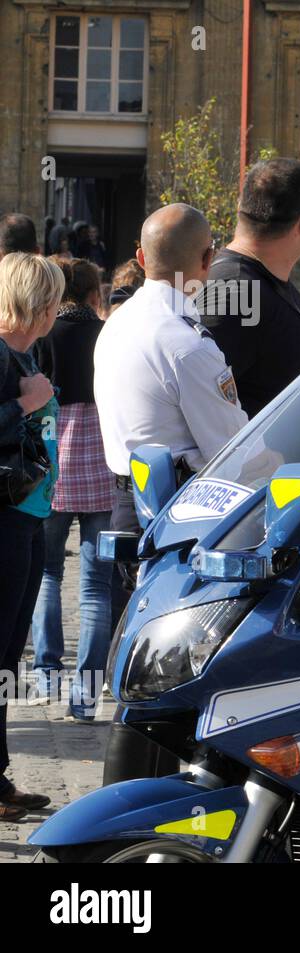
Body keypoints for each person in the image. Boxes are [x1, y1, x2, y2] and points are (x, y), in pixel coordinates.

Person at [95, 204, 249, 542]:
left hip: (125, 502)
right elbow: (230, 449)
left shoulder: (115, 323)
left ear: (141, 257)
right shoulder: (187, 343)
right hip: (178, 510)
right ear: (208, 258)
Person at [30, 260, 115, 720]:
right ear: (93, 292)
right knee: (96, 587)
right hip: (100, 467)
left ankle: (45, 675)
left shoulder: (45, 336)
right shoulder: (107, 336)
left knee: (47, 575)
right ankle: (84, 699)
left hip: (52, 468)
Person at [0, 252, 64, 819]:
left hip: (25, 515)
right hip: (5, 518)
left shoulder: (26, 351)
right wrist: (27, 401)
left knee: (7, 655)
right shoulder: (5, 354)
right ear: (39, 303)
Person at [195, 158, 300, 418]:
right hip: (257, 459)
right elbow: (200, 404)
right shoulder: (234, 290)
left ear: (239, 207)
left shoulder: (256, 281)